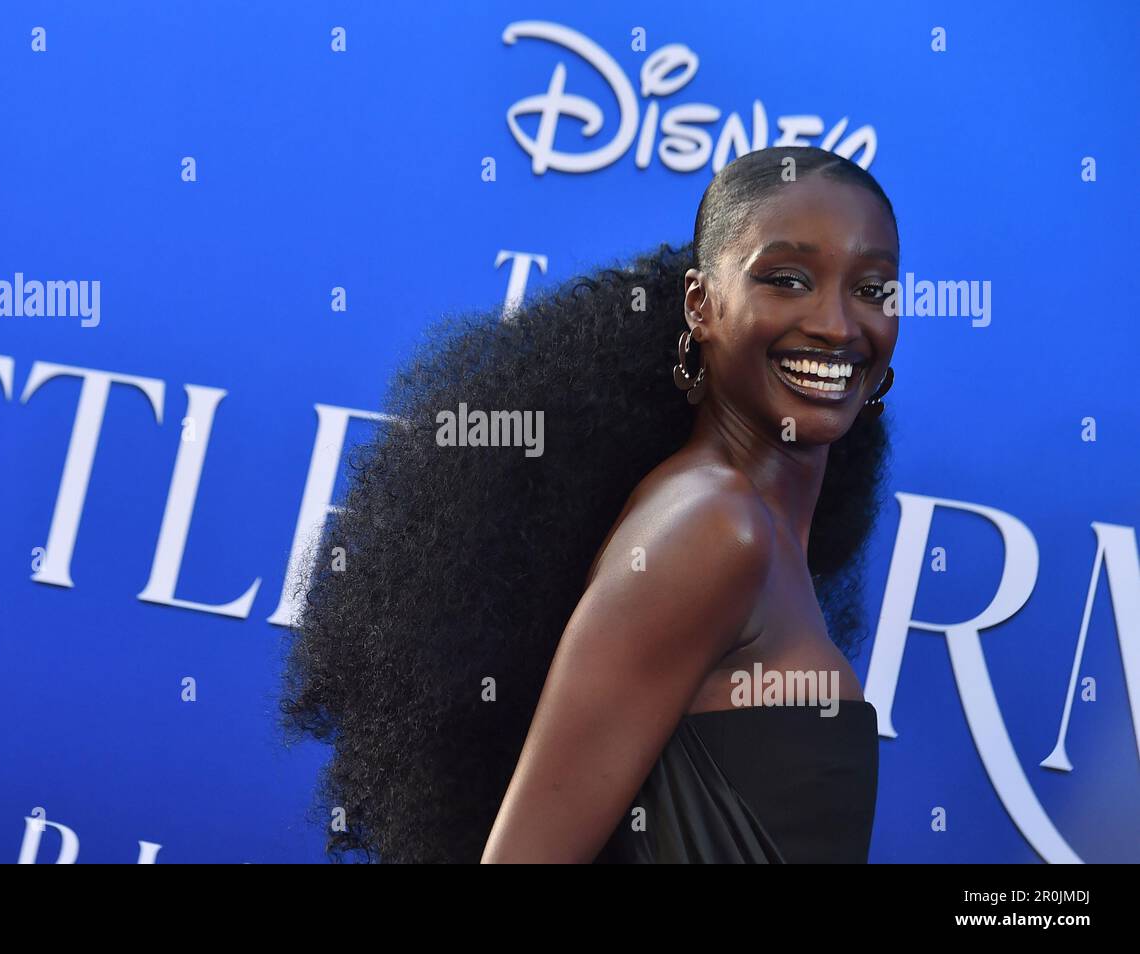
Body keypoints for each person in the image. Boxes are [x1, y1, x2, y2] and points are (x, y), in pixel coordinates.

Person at [278, 145, 898, 864]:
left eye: (872, 288)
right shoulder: (713, 530)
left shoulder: (753, 533)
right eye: (788, 279)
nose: (838, 324)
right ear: (701, 305)